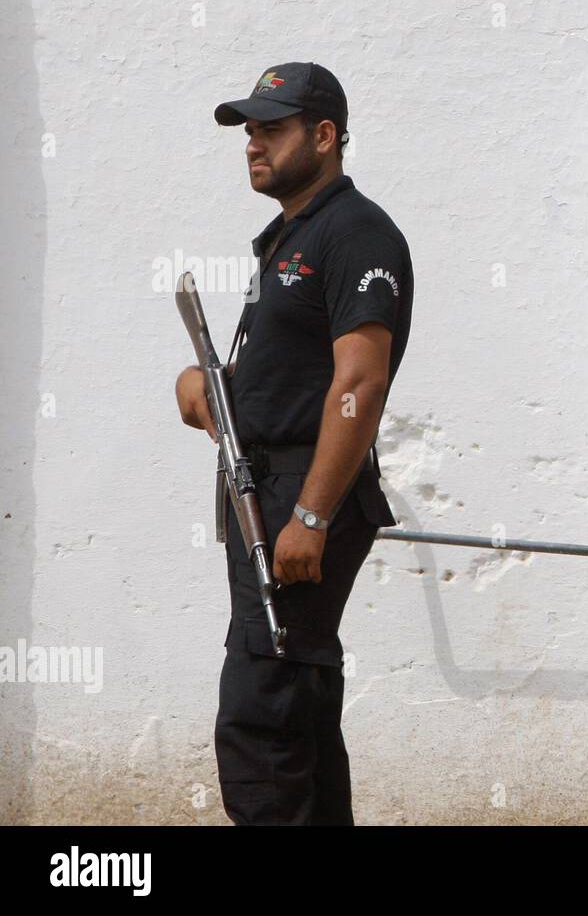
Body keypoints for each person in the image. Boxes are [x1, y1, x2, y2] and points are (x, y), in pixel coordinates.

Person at [173, 62, 413, 825]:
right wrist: (212, 390)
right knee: (297, 705)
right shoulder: (295, 236)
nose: (253, 144)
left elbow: (360, 382)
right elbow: (293, 379)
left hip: (305, 495)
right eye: (249, 131)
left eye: (271, 129)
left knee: (260, 712)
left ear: (324, 135)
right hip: (271, 489)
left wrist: (310, 515)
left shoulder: (355, 232)